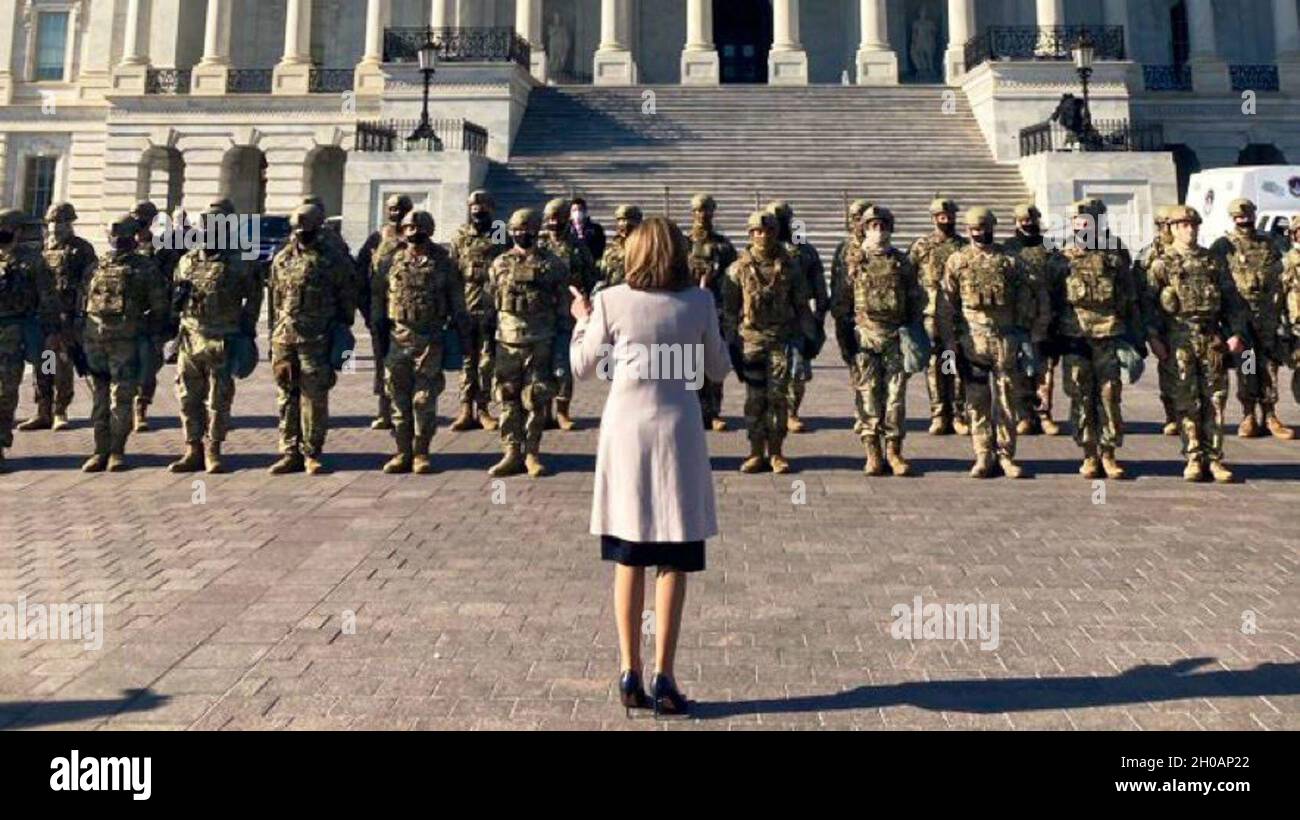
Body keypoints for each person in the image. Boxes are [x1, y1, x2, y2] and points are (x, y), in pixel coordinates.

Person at [569, 216, 729, 718]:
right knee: (673, 557)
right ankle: (664, 674)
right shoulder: (698, 301)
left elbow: (583, 366)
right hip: (677, 429)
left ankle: (627, 669)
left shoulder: (613, 299)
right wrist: (708, 316)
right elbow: (718, 368)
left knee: (629, 553)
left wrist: (581, 317)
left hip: (627, 431)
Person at [1144, 206, 1251, 483]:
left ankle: (1215, 458)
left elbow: (1232, 301)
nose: (1190, 230)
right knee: (1187, 401)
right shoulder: (1162, 263)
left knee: (1215, 399)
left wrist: (1235, 332)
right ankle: (1193, 456)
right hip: (1179, 339)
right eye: (1183, 225)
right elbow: (1149, 306)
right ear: (1173, 229)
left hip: (1211, 339)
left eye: (1193, 225)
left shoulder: (1212, 261)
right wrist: (1154, 338)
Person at [938, 207, 1040, 479]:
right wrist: (950, 342)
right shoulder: (957, 260)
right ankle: (983, 453)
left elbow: (1026, 298)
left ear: (993, 228)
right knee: (977, 400)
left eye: (984, 228)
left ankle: (1006, 455)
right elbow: (947, 304)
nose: (979, 233)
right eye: (974, 229)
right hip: (973, 340)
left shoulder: (1010, 261)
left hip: (1005, 338)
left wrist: (1024, 335)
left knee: (1007, 399)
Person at [1050, 200, 1145, 480]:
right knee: (1080, 395)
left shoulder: (1115, 252)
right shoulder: (1062, 257)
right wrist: (1049, 340)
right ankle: (1089, 454)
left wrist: (1136, 337)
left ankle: (1109, 453)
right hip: (1075, 339)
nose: (1082, 225)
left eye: (1087, 220)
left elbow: (1130, 298)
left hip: (1109, 337)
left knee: (1109, 396)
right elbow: (1052, 301)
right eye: (1077, 221)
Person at [168, 199, 262, 474]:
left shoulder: (241, 259)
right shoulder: (187, 260)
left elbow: (254, 297)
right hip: (190, 338)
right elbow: (178, 295)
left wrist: (246, 330)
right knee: (187, 396)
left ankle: (214, 448)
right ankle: (192, 447)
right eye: (204, 224)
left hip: (224, 337)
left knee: (218, 399)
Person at [373, 210, 471, 474]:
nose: (413, 232)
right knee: (397, 397)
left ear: (429, 229)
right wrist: (378, 332)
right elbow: (378, 299)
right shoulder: (390, 260)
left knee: (423, 399)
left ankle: (421, 452)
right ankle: (402, 451)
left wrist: (464, 340)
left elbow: (457, 304)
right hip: (398, 337)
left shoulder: (444, 263)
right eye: (408, 227)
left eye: (419, 227)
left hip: (430, 339)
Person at [830, 205, 926, 476]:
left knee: (895, 399)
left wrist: (913, 332)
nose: (879, 231)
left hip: (895, 337)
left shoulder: (901, 262)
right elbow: (841, 302)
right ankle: (872, 452)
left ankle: (894, 451)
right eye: (873, 226)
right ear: (865, 229)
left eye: (883, 226)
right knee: (868, 397)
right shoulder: (854, 261)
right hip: (865, 338)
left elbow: (915, 298)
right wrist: (845, 337)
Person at [722, 211, 817, 474]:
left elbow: (801, 305)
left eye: (767, 231)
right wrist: (730, 343)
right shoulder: (737, 268)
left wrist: (810, 338)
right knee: (754, 399)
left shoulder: (790, 265)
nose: (762, 236)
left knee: (777, 398)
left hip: (781, 341)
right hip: (751, 342)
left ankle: (776, 451)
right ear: (750, 234)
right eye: (757, 232)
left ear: (777, 232)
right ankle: (755, 451)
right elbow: (729, 310)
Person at [267, 204, 356, 475]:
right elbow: (275, 299)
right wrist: (274, 336)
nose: (300, 233)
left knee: (314, 396)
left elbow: (346, 297)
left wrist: (340, 329)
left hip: (317, 337)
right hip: (285, 337)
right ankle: (289, 451)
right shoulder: (282, 259)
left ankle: (312, 452)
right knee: (286, 395)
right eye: (296, 229)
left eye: (305, 229)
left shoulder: (332, 259)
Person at [79, 216, 168, 472]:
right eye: (113, 235)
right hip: (95, 342)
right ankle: (99, 450)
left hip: (126, 344)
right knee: (100, 400)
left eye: (120, 236)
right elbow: (82, 303)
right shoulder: (95, 267)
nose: (116, 240)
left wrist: (148, 337)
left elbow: (160, 307)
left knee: (121, 398)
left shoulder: (145, 268)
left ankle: (117, 450)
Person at [486, 209, 570, 477]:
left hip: (540, 341)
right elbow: (491, 305)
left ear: (537, 229)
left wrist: (561, 349)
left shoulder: (553, 264)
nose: (521, 233)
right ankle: (511, 451)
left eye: (526, 228)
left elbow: (563, 309)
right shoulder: (499, 263)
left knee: (535, 399)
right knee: (508, 397)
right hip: (507, 342)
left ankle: (532, 452)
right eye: (516, 228)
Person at [1209, 198, 1293, 439]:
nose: (1243, 221)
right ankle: (1248, 415)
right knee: (1247, 365)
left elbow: (1285, 276)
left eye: (1247, 217)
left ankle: (1270, 414)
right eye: (1238, 217)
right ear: (1233, 219)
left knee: (1269, 366)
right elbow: (1216, 286)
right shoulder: (1223, 246)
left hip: (1268, 318)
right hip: (1240, 320)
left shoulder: (1270, 244)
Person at [20, 202, 96, 432]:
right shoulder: (42, 249)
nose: (55, 227)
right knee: (44, 364)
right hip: (43, 319)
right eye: (52, 222)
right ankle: (43, 409)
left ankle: (60, 410)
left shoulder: (81, 250)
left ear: (70, 224)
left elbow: (89, 285)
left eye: (61, 222)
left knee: (63, 366)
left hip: (67, 318)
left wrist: (80, 318)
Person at [0, 208, 57, 472]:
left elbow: (47, 300)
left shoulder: (33, 261)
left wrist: (51, 334)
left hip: (13, 336)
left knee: (5, 394)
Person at [1001, 203, 1063, 436]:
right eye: (1022, 220)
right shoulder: (1007, 248)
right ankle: (1024, 415)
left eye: (1031, 220)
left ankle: (1044, 414)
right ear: (1016, 222)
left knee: (1044, 370)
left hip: (1044, 317)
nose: (1027, 223)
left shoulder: (1048, 245)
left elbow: (1059, 279)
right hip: (1017, 318)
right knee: (1018, 369)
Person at [765, 200, 827, 434]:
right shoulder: (759, 250)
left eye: (782, 219)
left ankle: (792, 412)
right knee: (769, 371)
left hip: (798, 319)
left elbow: (818, 282)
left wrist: (820, 315)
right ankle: (773, 411)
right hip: (767, 321)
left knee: (797, 372)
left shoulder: (803, 250)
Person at [910, 197, 969, 436]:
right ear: (933, 218)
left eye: (949, 216)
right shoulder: (922, 246)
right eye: (941, 217)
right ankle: (938, 413)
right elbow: (908, 277)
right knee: (935, 365)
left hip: (957, 314)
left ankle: (957, 413)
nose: (946, 220)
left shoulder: (964, 246)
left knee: (954, 363)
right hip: (931, 313)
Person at [355, 194, 414, 431]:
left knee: (409, 362)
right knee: (383, 363)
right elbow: (359, 275)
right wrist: (368, 310)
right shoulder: (377, 238)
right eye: (391, 209)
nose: (395, 213)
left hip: (410, 313)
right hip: (381, 311)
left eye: (400, 209)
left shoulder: (416, 237)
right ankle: (384, 410)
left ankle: (407, 410)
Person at [449, 189, 505, 432]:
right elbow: (451, 274)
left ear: (491, 210)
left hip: (492, 308)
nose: (478, 213)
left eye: (483, 209)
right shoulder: (460, 236)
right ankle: (464, 409)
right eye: (474, 209)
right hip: (466, 307)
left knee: (486, 362)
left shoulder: (501, 233)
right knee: (467, 362)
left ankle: (483, 408)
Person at [539, 197, 597, 431]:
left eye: (558, 218)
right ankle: (543, 412)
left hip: (567, 312)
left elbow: (591, 274)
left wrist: (581, 294)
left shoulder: (577, 246)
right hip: (541, 312)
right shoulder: (539, 245)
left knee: (563, 362)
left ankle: (562, 411)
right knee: (541, 363)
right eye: (550, 219)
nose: (554, 223)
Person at [129, 200, 181, 432]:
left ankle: (141, 407)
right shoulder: (121, 246)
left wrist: (170, 318)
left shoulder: (163, 250)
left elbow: (173, 285)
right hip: (125, 319)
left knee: (148, 365)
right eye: (134, 217)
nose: (137, 222)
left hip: (153, 318)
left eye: (141, 218)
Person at [687, 193, 737, 431]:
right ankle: (695, 409)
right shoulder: (683, 244)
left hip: (717, 309)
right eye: (697, 210)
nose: (702, 215)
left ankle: (714, 411)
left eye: (706, 210)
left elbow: (735, 278)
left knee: (713, 360)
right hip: (687, 309)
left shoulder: (723, 246)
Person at [1134, 205, 1179, 436]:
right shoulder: (1149, 255)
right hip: (1165, 326)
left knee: (1252, 366)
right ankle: (1173, 414)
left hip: (1256, 326)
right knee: (1171, 371)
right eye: (1170, 224)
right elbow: (1144, 296)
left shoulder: (1202, 253)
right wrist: (1150, 334)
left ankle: (1265, 413)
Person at [596, 204, 643, 289]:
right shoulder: (610, 252)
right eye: (621, 224)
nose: (625, 231)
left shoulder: (646, 251)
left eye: (630, 227)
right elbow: (603, 276)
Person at [569, 197, 606, 263]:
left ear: (585, 211)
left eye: (580, 210)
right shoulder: (567, 229)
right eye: (574, 210)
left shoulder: (596, 229)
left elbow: (599, 248)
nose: (577, 213)